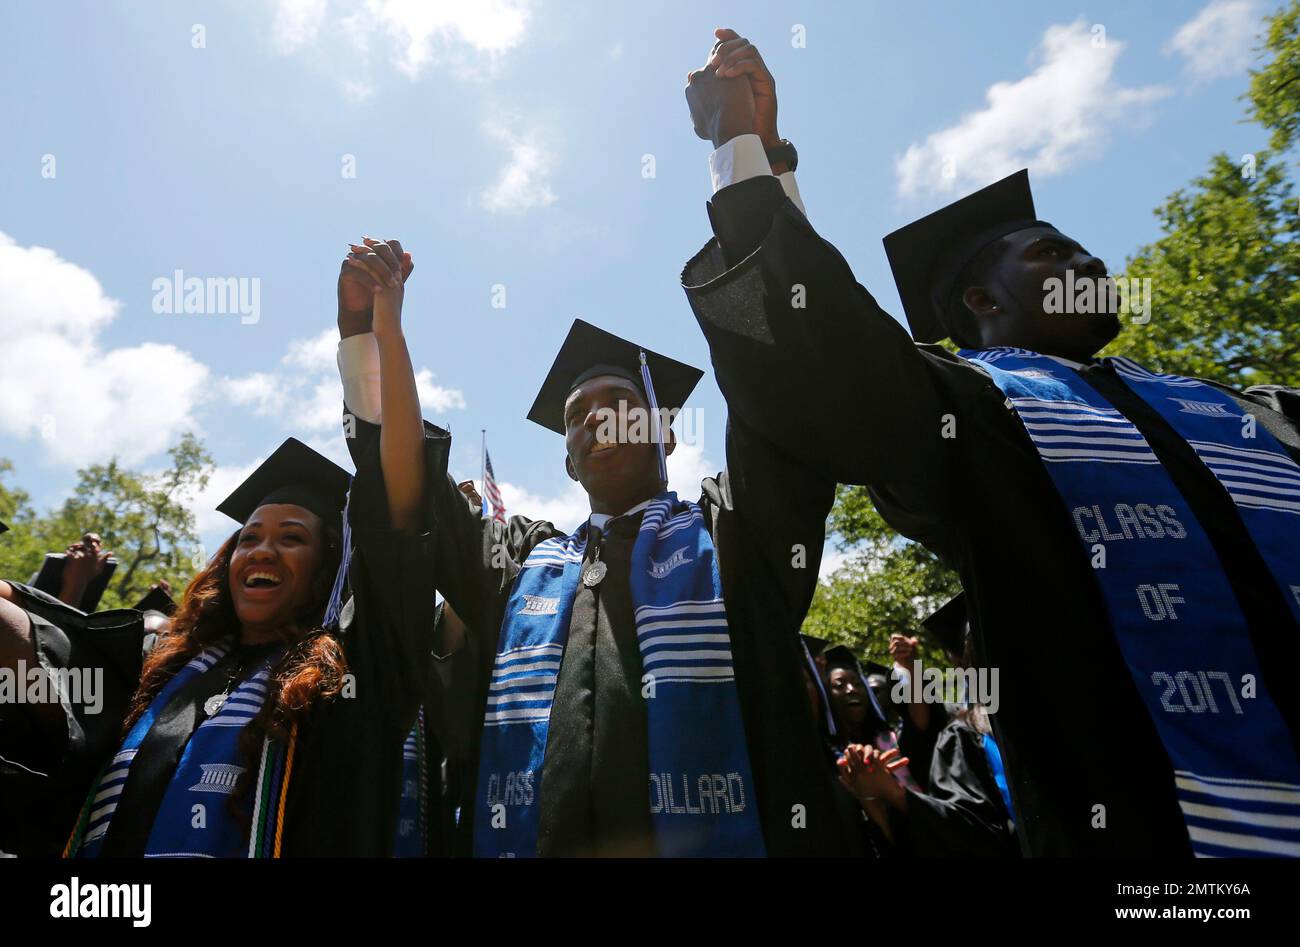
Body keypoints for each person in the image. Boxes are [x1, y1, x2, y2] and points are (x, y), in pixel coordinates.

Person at [680, 28, 1300, 857]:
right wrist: (748, 149)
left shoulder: (1238, 408)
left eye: (1081, 246)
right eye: (1050, 253)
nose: (1086, 259)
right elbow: (818, 360)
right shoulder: (976, 413)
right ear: (981, 299)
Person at [338, 283, 855, 856]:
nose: (598, 417)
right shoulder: (521, 562)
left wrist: (758, 217)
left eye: (621, 402)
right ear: (568, 461)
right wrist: (375, 341)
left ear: (664, 434)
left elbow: (778, 410)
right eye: (577, 415)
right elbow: (415, 492)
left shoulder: (730, 532)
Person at [44, 235, 439, 857]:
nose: (260, 550)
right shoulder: (166, 673)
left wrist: (370, 334)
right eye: (248, 538)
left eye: (291, 538)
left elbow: (396, 495)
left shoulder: (356, 672)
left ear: (330, 567)